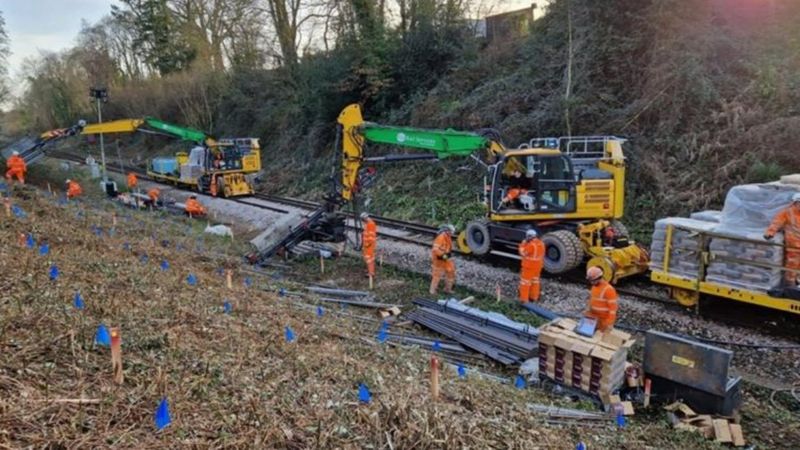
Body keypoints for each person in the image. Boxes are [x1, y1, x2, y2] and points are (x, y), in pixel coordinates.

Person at [764, 193, 800, 285]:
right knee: (792, 265)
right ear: (795, 202)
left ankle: (797, 281)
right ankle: (790, 284)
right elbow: (777, 222)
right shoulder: (787, 212)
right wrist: (770, 232)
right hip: (794, 245)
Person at [584, 266, 618, 332]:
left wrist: (609, 323)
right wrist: (587, 311)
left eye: (593, 280)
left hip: (603, 321)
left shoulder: (609, 290)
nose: (591, 283)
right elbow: (592, 300)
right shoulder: (594, 287)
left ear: (599, 278)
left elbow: (613, 309)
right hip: (593, 319)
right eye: (590, 280)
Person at [518, 229, 545, 303]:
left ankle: (524, 300)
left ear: (529, 236)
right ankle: (534, 297)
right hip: (538, 266)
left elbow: (523, 253)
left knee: (525, 282)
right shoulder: (541, 243)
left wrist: (522, 244)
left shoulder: (531, 245)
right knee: (535, 281)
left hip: (529, 266)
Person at [430, 224, 456, 295]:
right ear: (447, 231)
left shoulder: (448, 237)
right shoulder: (441, 237)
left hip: (445, 257)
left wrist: (447, 255)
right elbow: (435, 250)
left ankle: (448, 289)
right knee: (437, 275)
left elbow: (448, 248)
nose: (452, 233)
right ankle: (433, 291)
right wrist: (442, 255)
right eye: (451, 232)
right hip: (438, 259)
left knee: (451, 271)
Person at [361, 212, 378, 278]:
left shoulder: (370, 224)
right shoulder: (368, 223)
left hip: (369, 245)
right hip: (368, 245)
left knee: (369, 259)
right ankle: (370, 271)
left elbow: (371, 236)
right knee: (369, 258)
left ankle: (371, 273)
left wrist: (367, 244)